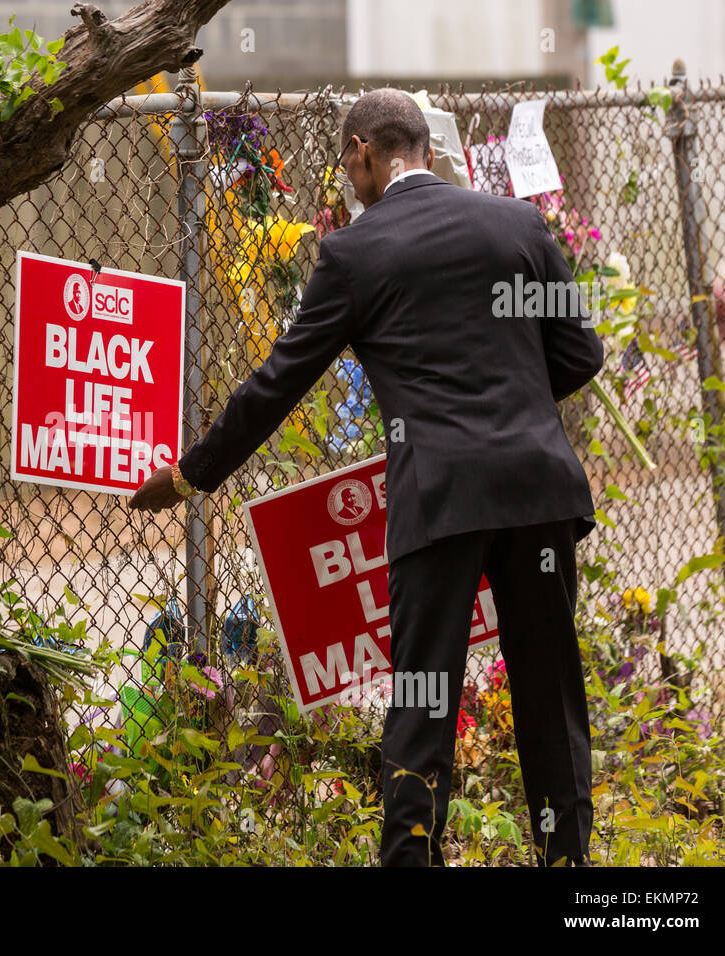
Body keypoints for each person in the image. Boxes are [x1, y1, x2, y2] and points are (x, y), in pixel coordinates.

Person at [129, 88, 603, 867]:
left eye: (345, 162)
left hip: (440, 500)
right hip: (538, 491)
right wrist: (510, 403)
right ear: (420, 144)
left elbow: (275, 386)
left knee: (424, 702)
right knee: (551, 697)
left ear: (362, 152)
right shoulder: (515, 224)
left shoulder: (355, 253)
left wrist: (188, 476)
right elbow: (581, 352)